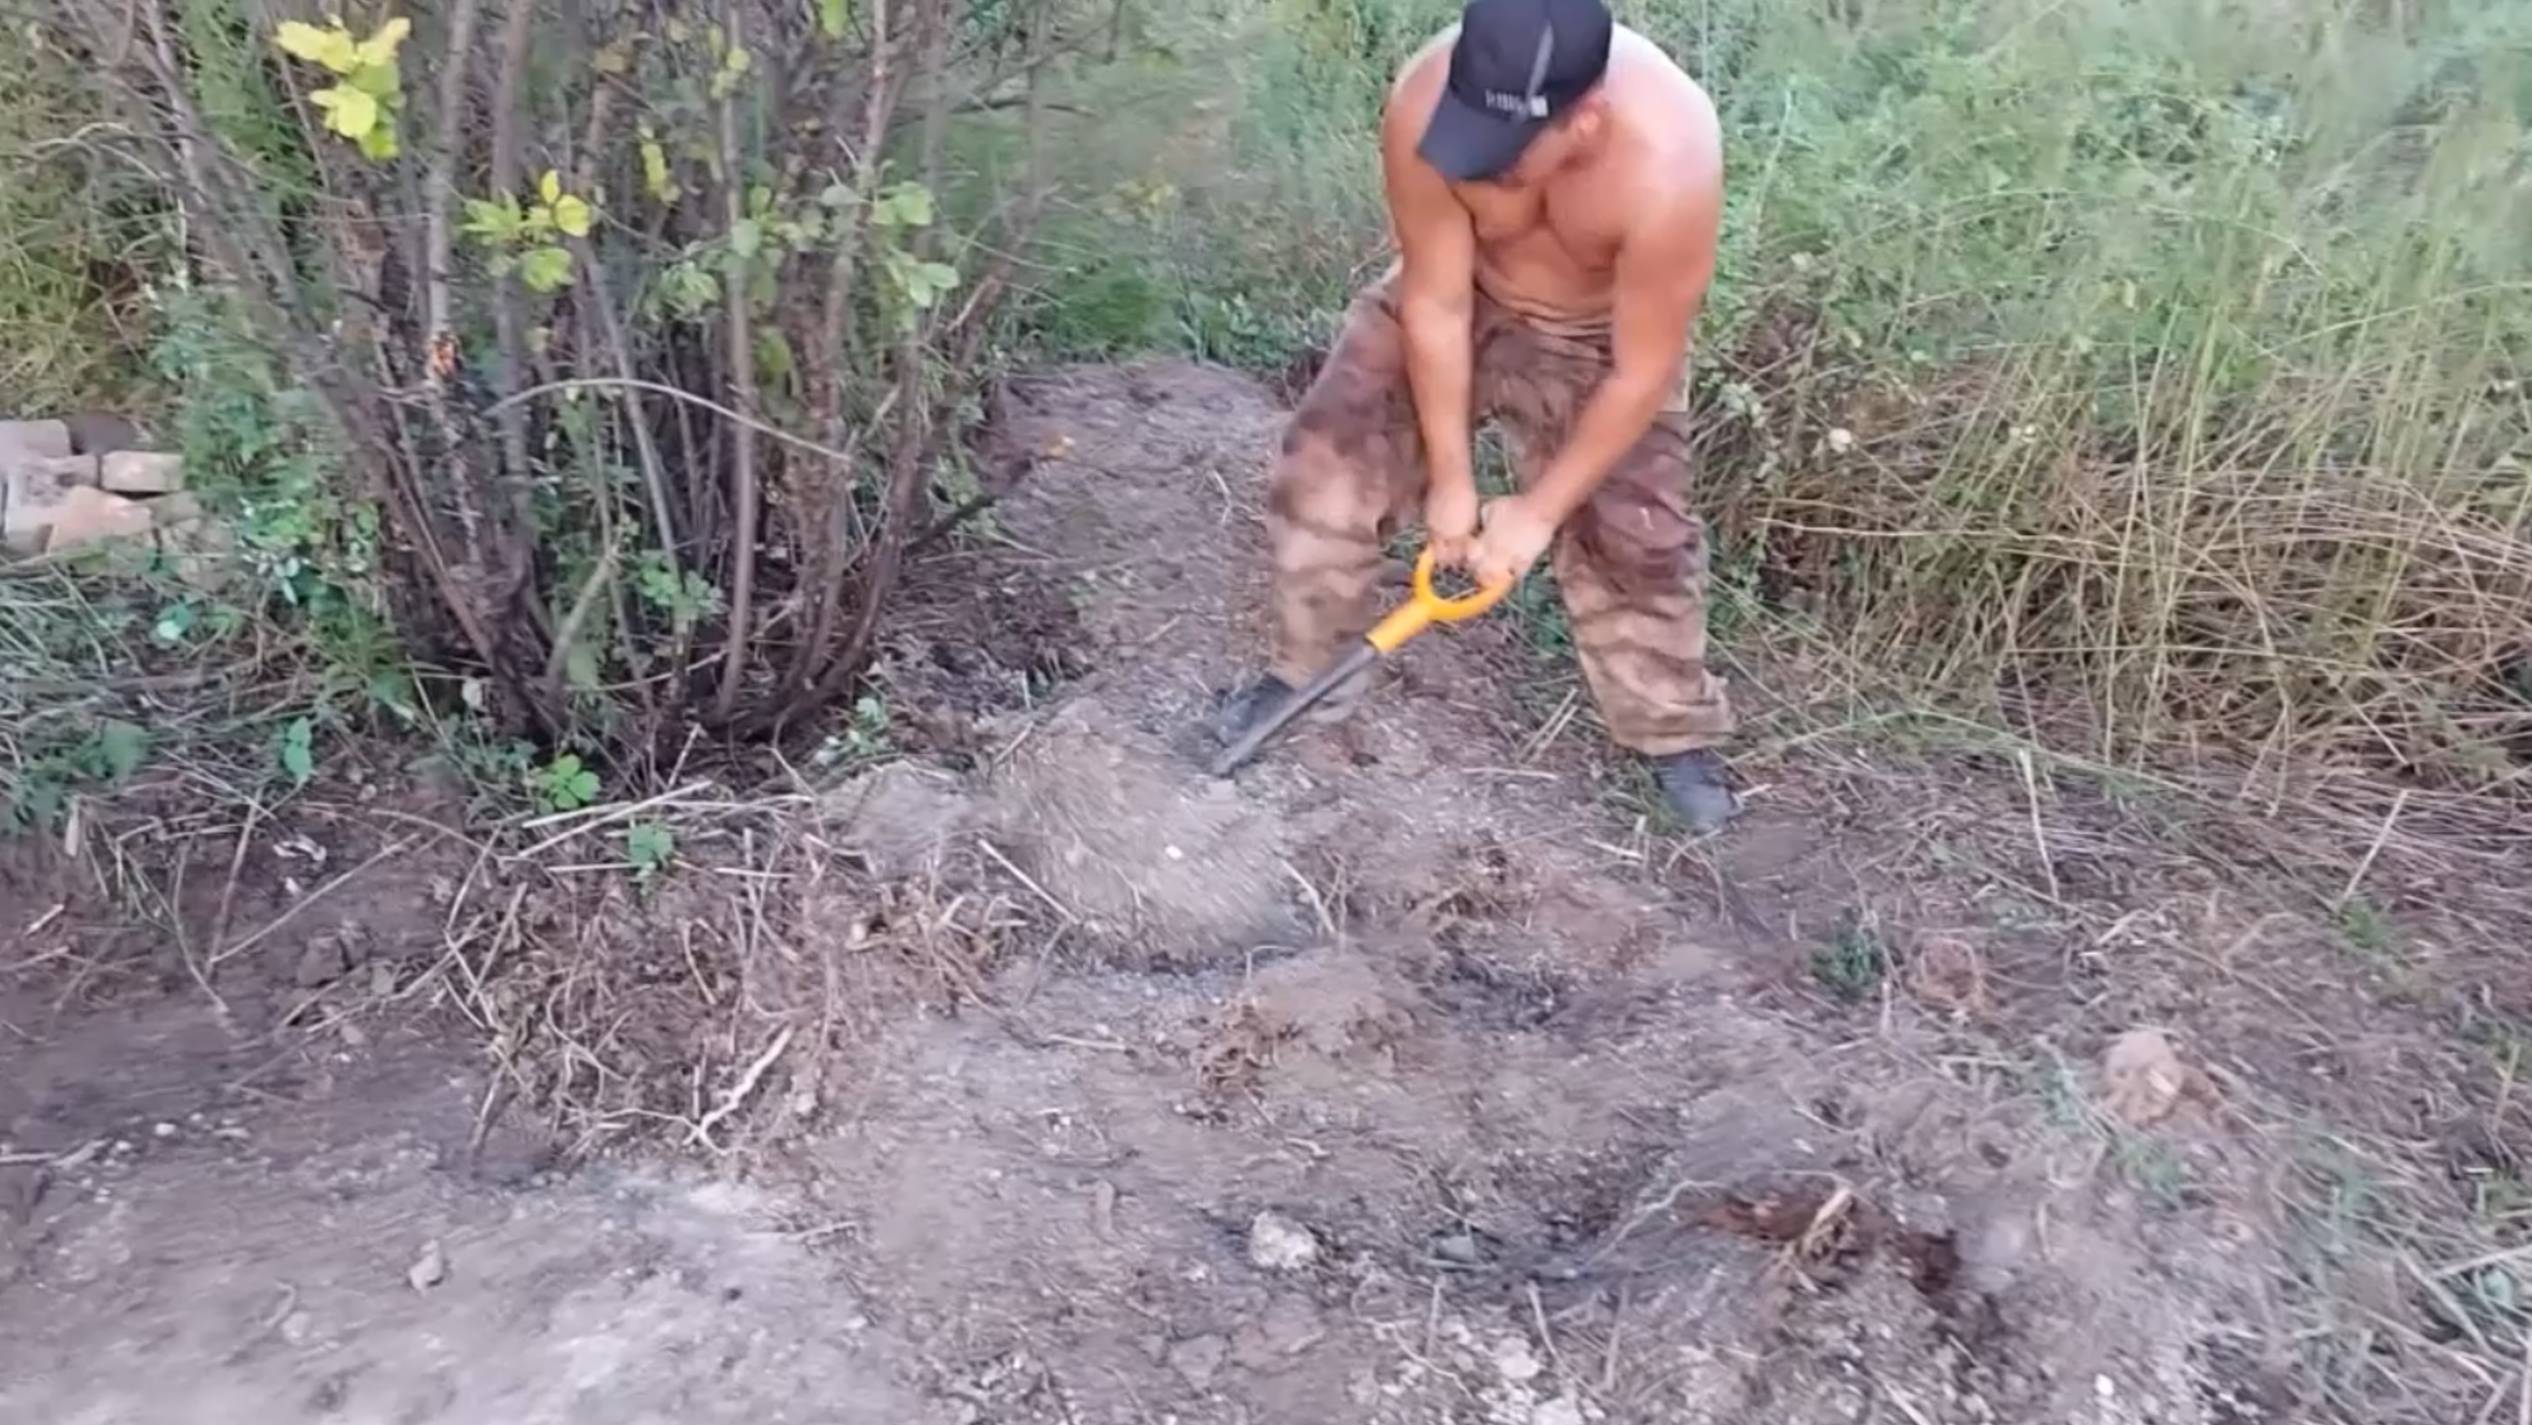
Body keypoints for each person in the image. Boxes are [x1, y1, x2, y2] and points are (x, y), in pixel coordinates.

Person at [1219, 0, 1739, 831]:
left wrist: (1536, 513)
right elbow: (1434, 303)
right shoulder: (1425, 103)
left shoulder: (1670, 162)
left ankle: (1669, 732)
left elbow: (1642, 371)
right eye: (1471, 139)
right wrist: (1452, 484)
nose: (1478, 166)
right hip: (1465, 295)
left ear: (1585, 120)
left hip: (1601, 340)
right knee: (1326, 468)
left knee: (1639, 539)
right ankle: (1305, 674)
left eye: (1504, 153)